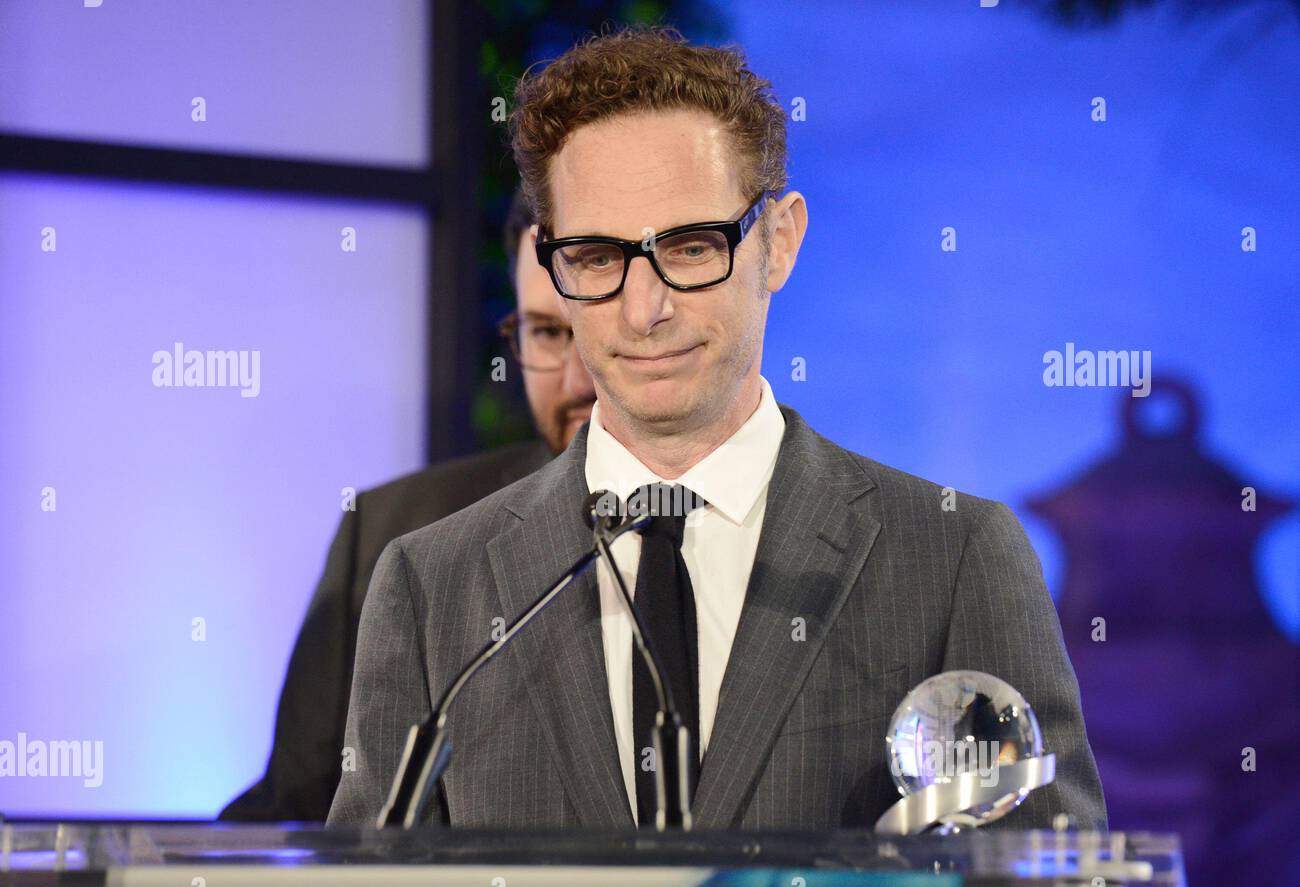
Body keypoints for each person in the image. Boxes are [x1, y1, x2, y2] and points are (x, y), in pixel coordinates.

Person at [327, 27, 1106, 831]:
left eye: (692, 247)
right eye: (597, 258)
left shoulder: (951, 558)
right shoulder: (432, 586)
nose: (644, 308)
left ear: (780, 242)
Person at [219, 190, 595, 821]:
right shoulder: (396, 534)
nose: (579, 375)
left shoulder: (790, 521)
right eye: (549, 332)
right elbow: (293, 814)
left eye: (592, 329)